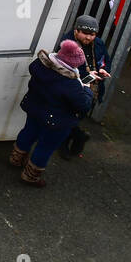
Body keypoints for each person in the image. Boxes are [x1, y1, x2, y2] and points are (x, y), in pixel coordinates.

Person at [9, 40, 97, 187]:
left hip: (35, 109)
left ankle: (16, 159)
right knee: (45, 146)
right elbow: (83, 105)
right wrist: (87, 89)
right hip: (56, 121)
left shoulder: (40, 65)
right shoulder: (70, 84)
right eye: (77, 64)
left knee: (28, 132)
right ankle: (30, 176)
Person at [57, 15, 110, 160]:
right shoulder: (66, 43)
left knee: (76, 116)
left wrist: (102, 70)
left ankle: (74, 139)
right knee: (68, 117)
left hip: (91, 89)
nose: (89, 38)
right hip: (73, 86)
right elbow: (63, 66)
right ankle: (72, 141)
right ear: (76, 31)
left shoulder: (98, 43)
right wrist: (85, 73)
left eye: (92, 34)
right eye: (85, 33)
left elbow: (104, 60)